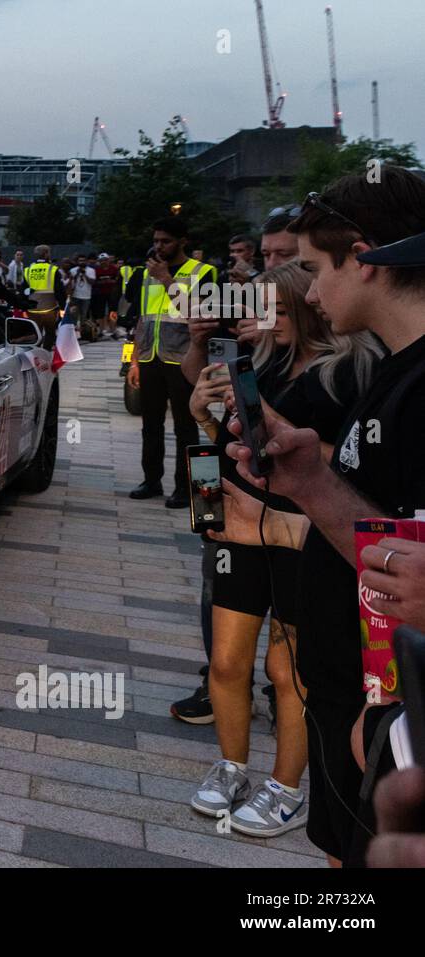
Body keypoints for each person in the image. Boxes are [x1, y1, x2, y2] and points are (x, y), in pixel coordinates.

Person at [217, 166, 425, 865]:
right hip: (352, 705)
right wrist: (310, 480)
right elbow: (388, 539)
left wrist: (393, 703)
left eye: (310, 268)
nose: (305, 289)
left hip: (386, 725)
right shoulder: (397, 372)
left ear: (364, 257)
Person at [185, 262, 381, 836]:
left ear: (297, 306)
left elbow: (343, 462)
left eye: (262, 307)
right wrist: (208, 513)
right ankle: (231, 768)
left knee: (287, 666)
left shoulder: (347, 374)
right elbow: (217, 449)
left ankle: (286, 786)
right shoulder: (254, 368)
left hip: (306, 536)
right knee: (225, 661)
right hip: (237, 533)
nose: (249, 319)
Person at [126, 218, 217, 509]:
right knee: (150, 424)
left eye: (165, 241)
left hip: (185, 360)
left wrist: (167, 279)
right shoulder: (146, 274)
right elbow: (142, 320)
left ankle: (186, 488)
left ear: (182, 241)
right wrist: (134, 361)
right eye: (155, 241)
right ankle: (150, 480)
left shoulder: (205, 273)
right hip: (152, 358)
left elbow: (196, 314)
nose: (158, 246)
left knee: (186, 426)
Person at [24, 245, 67, 349]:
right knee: (50, 333)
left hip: (33, 309)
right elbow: (59, 291)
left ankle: (35, 355)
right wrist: (63, 308)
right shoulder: (53, 269)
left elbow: (24, 291)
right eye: (49, 252)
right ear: (46, 254)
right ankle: (46, 354)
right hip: (50, 308)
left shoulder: (28, 270)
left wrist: (24, 308)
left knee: (35, 335)